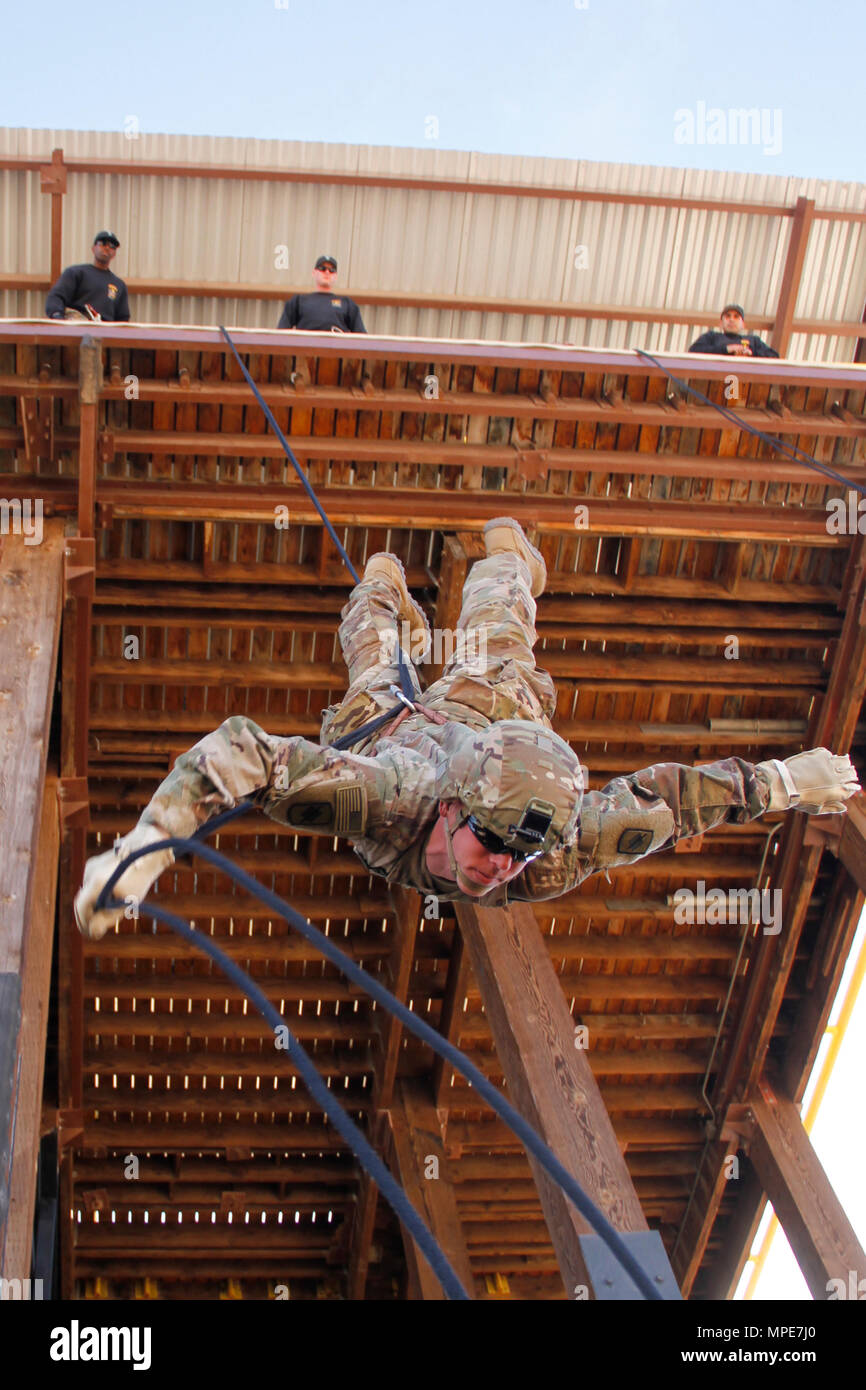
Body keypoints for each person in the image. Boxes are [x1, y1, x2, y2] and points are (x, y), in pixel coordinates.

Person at [74, 519, 859, 940]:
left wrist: (788, 782)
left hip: (483, 728)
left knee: (408, 663)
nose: (507, 870)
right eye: (500, 846)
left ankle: (446, 580)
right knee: (453, 636)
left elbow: (676, 803)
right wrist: (137, 857)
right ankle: (463, 565)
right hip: (428, 730)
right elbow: (240, 752)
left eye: (522, 855)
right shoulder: (390, 798)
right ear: (452, 813)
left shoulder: (556, 852)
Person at [45, 231, 130, 322]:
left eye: (112, 246)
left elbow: (123, 318)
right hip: (77, 326)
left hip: (105, 330)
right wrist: (58, 318)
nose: (107, 248)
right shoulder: (75, 273)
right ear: (93, 248)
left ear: (114, 253)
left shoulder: (119, 285)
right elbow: (56, 297)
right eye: (103, 243)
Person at [276, 255, 366, 333]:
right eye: (322, 268)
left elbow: (362, 338)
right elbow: (281, 333)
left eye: (331, 270)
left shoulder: (347, 303)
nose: (327, 272)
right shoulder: (298, 300)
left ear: (336, 276)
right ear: (314, 273)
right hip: (305, 351)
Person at [688, 304, 778, 357]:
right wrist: (726, 349)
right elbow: (694, 350)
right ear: (720, 323)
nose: (731, 320)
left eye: (736, 317)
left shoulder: (754, 340)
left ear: (743, 324)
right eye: (728, 316)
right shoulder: (712, 337)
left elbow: (774, 356)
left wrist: (751, 353)